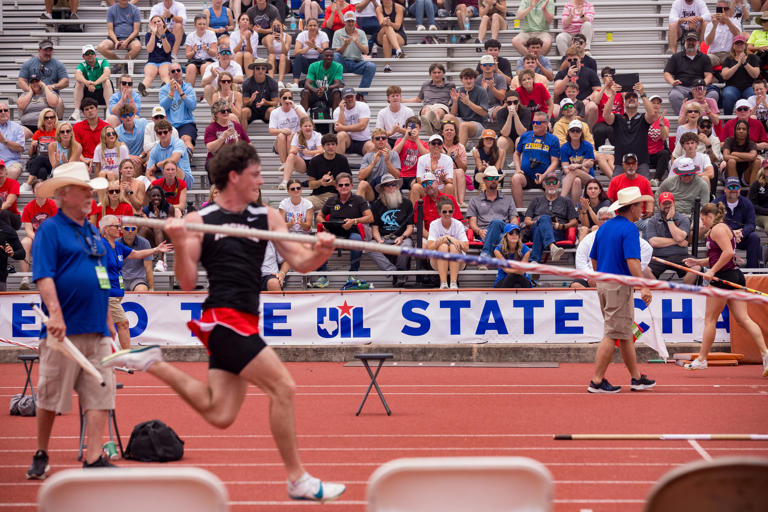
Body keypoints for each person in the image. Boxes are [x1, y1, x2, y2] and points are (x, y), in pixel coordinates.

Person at [103, 142, 347, 502]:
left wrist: (322, 250)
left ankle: (153, 361)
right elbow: (187, 282)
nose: (261, 180)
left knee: (220, 413)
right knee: (284, 388)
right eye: (255, 175)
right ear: (234, 178)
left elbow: (301, 262)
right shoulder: (200, 221)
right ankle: (297, 479)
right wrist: (181, 242)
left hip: (245, 318)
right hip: (222, 319)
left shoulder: (268, 218)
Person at [25, 162, 116, 479]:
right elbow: (43, 276)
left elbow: (102, 277)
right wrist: (56, 315)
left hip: (97, 328)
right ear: (65, 194)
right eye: (84, 189)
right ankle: (41, 451)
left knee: (100, 393)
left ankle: (93, 456)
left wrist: (108, 320)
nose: (90, 195)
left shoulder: (93, 231)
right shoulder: (49, 230)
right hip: (63, 332)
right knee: (50, 396)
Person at [682, 202, 768, 374]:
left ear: (708, 216)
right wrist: (698, 262)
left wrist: (712, 271)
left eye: (703, 219)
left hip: (723, 278)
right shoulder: (721, 229)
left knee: (710, 320)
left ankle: (701, 359)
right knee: (743, 319)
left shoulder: (718, 229)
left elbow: (728, 253)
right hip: (732, 275)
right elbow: (718, 256)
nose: (703, 223)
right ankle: (766, 354)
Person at [587, 186, 656, 394]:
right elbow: (633, 260)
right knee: (612, 333)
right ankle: (596, 381)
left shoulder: (605, 227)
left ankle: (635, 378)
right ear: (632, 207)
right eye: (639, 205)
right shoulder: (629, 229)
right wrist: (643, 285)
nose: (641, 210)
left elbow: (594, 258)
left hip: (605, 283)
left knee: (624, 334)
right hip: (618, 286)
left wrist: (602, 277)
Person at [99, 214, 170, 349]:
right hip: (108, 294)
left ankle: (108, 355)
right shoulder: (101, 246)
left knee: (108, 327)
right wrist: (103, 288)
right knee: (123, 323)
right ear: (106, 229)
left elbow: (136, 254)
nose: (119, 229)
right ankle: (126, 356)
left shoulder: (117, 246)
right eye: (116, 226)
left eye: (119, 226)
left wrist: (156, 249)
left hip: (116, 294)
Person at [597, 83, 659, 179]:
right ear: (624, 103)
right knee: (617, 191)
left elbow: (652, 114)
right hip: (621, 163)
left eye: (634, 97)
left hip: (641, 162)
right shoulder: (618, 117)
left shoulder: (643, 118)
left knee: (643, 192)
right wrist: (613, 94)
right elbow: (606, 116)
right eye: (628, 98)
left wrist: (642, 94)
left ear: (638, 103)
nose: (631, 98)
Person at [316, 172, 372, 275]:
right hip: (333, 230)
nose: (344, 187)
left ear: (351, 186)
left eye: (346, 184)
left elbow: (370, 217)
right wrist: (324, 224)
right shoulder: (331, 200)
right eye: (341, 185)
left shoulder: (359, 200)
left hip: (352, 230)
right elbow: (319, 216)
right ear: (336, 187)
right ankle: (322, 276)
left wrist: (354, 221)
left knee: (357, 241)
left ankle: (353, 274)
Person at [368, 174, 413, 286]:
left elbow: (410, 227)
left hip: (402, 237)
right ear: (383, 189)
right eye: (387, 186)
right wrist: (379, 242)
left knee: (406, 247)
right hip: (383, 237)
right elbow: (375, 228)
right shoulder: (376, 205)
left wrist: (402, 238)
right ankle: (393, 271)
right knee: (369, 247)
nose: (391, 188)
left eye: (393, 185)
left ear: (397, 186)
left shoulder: (407, 203)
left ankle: (401, 274)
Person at [645, 192, 698, 284]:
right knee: (643, 269)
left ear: (674, 204)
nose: (667, 206)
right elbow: (653, 242)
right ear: (659, 205)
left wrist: (670, 220)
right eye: (664, 203)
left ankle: (684, 293)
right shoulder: (653, 220)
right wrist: (677, 242)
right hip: (658, 257)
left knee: (696, 267)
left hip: (681, 256)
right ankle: (656, 294)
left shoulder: (683, 218)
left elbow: (679, 236)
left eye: (669, 203)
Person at [523, 171, 576, 263]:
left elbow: (574, 221)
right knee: (543, 218)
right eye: (548, 182)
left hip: (557, 232)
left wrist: (561, 226)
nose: (551, 185)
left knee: (541, 227)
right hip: (535, 227)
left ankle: (534, 261)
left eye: (554, 182)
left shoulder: (566, 201)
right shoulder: (536, 200)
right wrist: (537, 222)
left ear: (558, 184)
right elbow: (527, 220)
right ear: (544, 184)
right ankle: (552, 246)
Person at [511, 110, 560, 209]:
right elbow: (516, 154)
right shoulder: (525, 136)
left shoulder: (553, 139)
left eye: (538, 122)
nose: (535, 125)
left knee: (552, 180)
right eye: (533, 122)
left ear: (546, 124)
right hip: (526, 175)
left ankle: (550, 210)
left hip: (544, 176)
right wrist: (517, 168)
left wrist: (544, 175)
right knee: (515, 178)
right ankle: (520, 211)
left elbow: (555, 162)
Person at [467, 165, 517, 261]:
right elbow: (472, 222)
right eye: (490, 178)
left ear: (498, 180)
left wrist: (511, 231)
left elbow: (514, 218)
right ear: (484, 180)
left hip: (504, 229)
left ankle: (485, 254)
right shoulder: (475, 200)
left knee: (496, 222)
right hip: (484, 233)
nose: (493, 180)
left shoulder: (508, 199)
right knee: (501, 237)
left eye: (496, 178)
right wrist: (479, 231)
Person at [664, 32, 718, 115]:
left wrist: (702, 86)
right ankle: (684, 120)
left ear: (697, 43)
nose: (691, 43)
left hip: (700, 87)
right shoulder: (676, 57)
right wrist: (672, 82)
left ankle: (702, 119)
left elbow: (708, 75)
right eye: (689, 41)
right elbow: (667, 73)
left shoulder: (704, 58)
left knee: (713, 94)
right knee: (674, 95)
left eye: (693, 41)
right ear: (685, 42)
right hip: (682, 87)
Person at [18, 178, 58, 290]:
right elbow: (28, 229)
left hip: (50, 236)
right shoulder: (28, 207)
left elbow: (56, 226)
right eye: (37, 189)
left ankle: (51, 276)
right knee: (25, 242)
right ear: (33, 191)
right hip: (35, 236)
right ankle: (25, 278)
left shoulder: (53, 205)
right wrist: (38, 238)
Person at [714, 177, 762, 268]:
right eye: (730, 188)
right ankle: (721, 267)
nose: (734, 190)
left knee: (754, 237)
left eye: (736, 187)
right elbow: (713, 223)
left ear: (740, 189)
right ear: (724, 189)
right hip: (724, 237)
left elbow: (751, 224)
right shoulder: (717, 203)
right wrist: (731, 234)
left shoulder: (747, 203)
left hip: (740, 237)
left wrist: (741, 233)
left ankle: (751, 269)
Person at [18, 40, 69, 120]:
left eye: (50, 50)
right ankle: (22, 122)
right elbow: (21, 80)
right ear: (39, 50)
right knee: (21, 101)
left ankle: (58, 123)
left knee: (59, 102)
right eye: (45, 50)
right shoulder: (28, 64)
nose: (48, 53)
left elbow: (65, 81)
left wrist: (53, 86)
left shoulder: (58, 64)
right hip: (32, 92)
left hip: (50, 92)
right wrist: (30, 91)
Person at [427, 196, 469, 289]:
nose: (447, 214)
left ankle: (453, 283)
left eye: (450, 211)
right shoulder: (434, 224)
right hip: (437, 261)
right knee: (443, 247)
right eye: (444, 212)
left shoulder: (458, 224)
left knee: (453, 247)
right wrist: (443, 239)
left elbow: (466, 247)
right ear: (439, 212)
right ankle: (444, 283)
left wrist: (451, 239)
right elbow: (429, 247)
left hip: (459, 262)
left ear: (453, 211)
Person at [159, 62, 198, 158]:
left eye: (178, 70)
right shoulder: (164, 90)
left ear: (181, 72)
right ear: (169, 74)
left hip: (186, 123)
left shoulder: (188, 88)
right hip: (169, 124)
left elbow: (192, 106)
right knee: (171, 146)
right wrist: (171, 93)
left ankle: (187, 158)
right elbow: (163, 108)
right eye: (173, 71)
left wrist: (181, 92)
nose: (176, 72)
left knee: (186, 139)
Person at [606, 153, 654, 230]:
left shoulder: (644, 181)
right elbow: (609, 200)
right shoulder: (615, 181)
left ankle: (646, 242)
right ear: (623, 165)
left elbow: (649, 199)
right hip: (620, 217)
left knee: (649, 224)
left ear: (637, 164)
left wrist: (649, 211)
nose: (631, 165)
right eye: (628, 163)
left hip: (639, 217)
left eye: (633, 163)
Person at [333, 11, 376, 95]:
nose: (351, 23)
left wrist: (356, 42)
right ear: (344, 22)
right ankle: (340, 83)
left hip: (357, 62)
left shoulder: (361, 33)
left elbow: (366, 51)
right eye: (348, 21)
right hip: (343, 63)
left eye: (352, 21)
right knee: (335, 56)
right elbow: (337, 51)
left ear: (355, 21)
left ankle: (361, 94)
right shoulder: (338, 33)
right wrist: (345, 45)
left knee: (371, 66)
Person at [405, 63, 455, 136]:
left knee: (436, 112)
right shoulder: (425, 85)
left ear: (443, 73)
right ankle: (433, 126)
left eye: (439, 72)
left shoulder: (450, 85)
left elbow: (454, 98)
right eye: (434, 73)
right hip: (427, 105)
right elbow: (418, 99)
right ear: (430, 74)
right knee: (427, 110)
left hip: (441, 106)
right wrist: (402, 101)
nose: (437, 75)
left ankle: (434, 126)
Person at [552, 49, 600, 124]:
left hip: (583, 104)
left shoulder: (590, 72)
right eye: (569, 60)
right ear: (566, 61)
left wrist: (588, 99)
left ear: (580, 58)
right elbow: (557, 91)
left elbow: (598, 90)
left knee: (592, 106)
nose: (572, 61)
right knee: (554, 108)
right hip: (565, 105)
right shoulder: (561, 73)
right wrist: (568, 76)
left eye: (575, 59)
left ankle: (589, 133)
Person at [205, 99, 250, 174]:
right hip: (217, 159)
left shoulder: (237, 126)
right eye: (223, 111)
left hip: (234, 158)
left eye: (228, 110)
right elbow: (210, 148)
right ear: (216, 114)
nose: (226, 113)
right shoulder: (211, 128)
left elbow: (248, 144)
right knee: (213, 165)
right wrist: (223, 137)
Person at [307, 133, 351, 209]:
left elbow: (349, 182)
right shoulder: (315, 161)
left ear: (336, 145)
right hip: (318, 197)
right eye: (328, 144)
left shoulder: (342, 160)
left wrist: (334, 183)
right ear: (323, 146)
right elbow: (311, 184)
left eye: (333, 144)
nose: (331, 147)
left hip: (338, 196)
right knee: (305, 204)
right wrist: (321, 182)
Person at [74, 45, 114, 127]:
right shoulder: (82, 65)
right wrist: (87, 83)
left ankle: (108, 111)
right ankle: (76, 111)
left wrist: (95, 83)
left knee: (106, 81)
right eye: (87, 53)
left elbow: (107, 73)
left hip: (101, 93)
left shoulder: (102, 62)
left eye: (91, 52)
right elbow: (77, 75)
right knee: (78, 82)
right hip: (88, 94)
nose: (90, 55)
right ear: (83, 56)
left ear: (95, 54)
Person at [356, 128, 401, 201]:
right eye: (377, 138)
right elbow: (360, 177)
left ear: (387, 140)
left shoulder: (393, 154)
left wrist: (387, 161)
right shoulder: (368, 156)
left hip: (389, 187)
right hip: (372, 190)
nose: (381, 140)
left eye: (383, 138)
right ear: (372, 141)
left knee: (386, 182)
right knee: (362, 184)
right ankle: (358, 211)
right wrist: (373, 163)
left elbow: (397, 175)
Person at [146, 120, 193, 188]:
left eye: (165, 132)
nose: (163, 135)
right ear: (156, 134)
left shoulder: (178, 143)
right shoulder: (154, 150)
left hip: (185, 178)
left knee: (171, 168)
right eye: (160, 133)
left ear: (170, 132)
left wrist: (156, 165)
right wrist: (155, 183)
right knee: (148, 185)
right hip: (167, 178)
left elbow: (173, 160)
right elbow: (148, 172)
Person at [98, 0, 142, 72]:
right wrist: (116, 41)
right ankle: (120, 63)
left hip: (130, 38)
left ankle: (121, 65)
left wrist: (126, 41)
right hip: (115, 38)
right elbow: (110, 30)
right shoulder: (111, 10)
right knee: (101, 47)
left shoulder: (135, 9)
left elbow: (136, 31)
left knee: (137, 47)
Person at [448, 68, 489, 146]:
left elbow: (484, 113)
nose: (469, 81)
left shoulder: (482, 91)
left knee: (464, 125)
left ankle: (458, 154)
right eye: (466, 78)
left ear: (475, 79)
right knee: (448, 117)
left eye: (471, 78)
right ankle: (447, 149)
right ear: (461, 80)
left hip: (478, 124)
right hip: (462, 121)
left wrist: (469, 103)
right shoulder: (457, 91)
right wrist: (455, 102)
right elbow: (453, 114)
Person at [280, 117, 323, 189]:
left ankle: (316, 180)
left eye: (310, 126)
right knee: (291, 156)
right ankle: (285, 182)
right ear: (301, 127)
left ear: (313, 126)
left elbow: (321, 150)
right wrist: (297, 149)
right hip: (302, 163)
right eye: (305, 126)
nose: (308, 128)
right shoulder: (297, 135)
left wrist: (309, 152)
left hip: (314, 162)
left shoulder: (317, 135)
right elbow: (291, 150)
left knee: (318, 155)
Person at [560, 120, 596, 205]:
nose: (575, 133)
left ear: (581, 133)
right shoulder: (564, 148)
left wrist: (577, 166)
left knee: (574, 172)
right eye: (573, 130)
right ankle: (574, 209)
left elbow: (586, 170)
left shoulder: (587, 146)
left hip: (589, 178)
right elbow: (565, 169)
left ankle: (561, 200)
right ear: (568, 132)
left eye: (578, 130)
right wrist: (580, 167)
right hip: (570, 177)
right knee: (577, 180)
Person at [412, 134, 454, 204]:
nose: (436, 145)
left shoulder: (448, 159)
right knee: (416, 187)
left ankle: (447, 211)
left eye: (439, 143)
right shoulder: (422, 159)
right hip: (427, 188)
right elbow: (419, 180)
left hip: (441, 189)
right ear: (429, 145)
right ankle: (415, 214)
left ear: (442, 146)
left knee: (449, 186)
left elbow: (450, 180)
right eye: (433, 143)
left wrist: (443, 180)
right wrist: (432, 171)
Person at [393, 116, 429, 196]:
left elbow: (427, 157)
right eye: (410, 127)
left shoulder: (424, 144)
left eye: (415, 127)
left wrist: (416, 140)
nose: (412, 130)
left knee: (416, 187)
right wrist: (405, 137)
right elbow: (393, 155)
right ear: (406, 128)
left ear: (419, 128)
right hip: (400, 175)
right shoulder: (400, 141)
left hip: (414, 176)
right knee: (393, 188)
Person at [139, 16, 175, 97]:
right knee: (149, 76)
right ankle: (143, 87)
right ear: (151, 25)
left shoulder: (170, 35)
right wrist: (153, 34)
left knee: (165, 75)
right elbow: (149, 50)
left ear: (163, 23)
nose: (157, 23)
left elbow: (167, 50)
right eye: (154, 22)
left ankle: (165, 87)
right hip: (152, 61)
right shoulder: (148, 35)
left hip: (165, 61)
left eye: (158, 21)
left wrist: (163, 35)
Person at [300, 47, 344, 113]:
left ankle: (336, 120)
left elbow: (337, 84)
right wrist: (315, 90)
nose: (329, 57)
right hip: (315, 92)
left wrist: (325, 88)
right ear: (322, 56)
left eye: (331, 56)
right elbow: (307, 83)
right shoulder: (313, 66)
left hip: (329, 94)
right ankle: (302, 119)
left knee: (336, 92)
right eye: (327, 55)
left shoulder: (338, 66)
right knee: (306, 92)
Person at [139, 185, 181, 251]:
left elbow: (169, 227)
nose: (156, 198)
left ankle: (160, 259)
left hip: (168, 239)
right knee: (144, 228)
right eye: (154, 196)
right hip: (153, 239)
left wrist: (158, 217)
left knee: (157, 227)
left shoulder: (169, 208)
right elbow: (146, 225)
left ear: (162, 197)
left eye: (158, 195)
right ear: (150, 198)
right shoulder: (146, 210)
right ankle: (134, 252)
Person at [333, 88, 373, 155]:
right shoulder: (338, 110)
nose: (350, 99)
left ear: (355, 96)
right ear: (343, 99)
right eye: (347, 97)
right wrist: (342, 111)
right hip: (348, 141)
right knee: (340, 135)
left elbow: (362, 126)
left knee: (372, 147)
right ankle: (338, 164)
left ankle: (368, 165)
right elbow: (339, 130)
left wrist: (343, 128)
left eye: (351, 96)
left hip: (363, 141)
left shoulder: (363, 106)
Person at [17, 74, 60, 139]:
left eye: (36, 81)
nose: (35, 84)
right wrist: (30, 92)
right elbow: (20, 106)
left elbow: (53, 103)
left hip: (46, 126)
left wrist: (45, 87)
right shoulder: (25, 94)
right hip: (28, 126)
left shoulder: (48, 92)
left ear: (41, 82)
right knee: (18, 135)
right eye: (32, 82)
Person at [24, 109, 58, 189]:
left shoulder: (58, 132)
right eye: (46, 118)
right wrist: (32, 146)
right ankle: (43, 190)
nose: (49, 120)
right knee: (42, 171)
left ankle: (28, 183)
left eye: (51, 117)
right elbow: (30, 154)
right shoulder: (38, 133)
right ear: (42, 119)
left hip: (52, 161)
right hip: (38, 161)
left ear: (55, 119)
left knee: (41, 158)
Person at [240, 58, 278, 127]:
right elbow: (245, 103)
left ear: (266, 70)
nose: (260, 71)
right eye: (258, 68)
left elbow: (275, 103)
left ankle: (278, 136)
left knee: (273, 111)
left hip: (266, 109)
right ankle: (243, 137)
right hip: (251, 109)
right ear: (254, 70)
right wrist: (251, 100)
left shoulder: (273, 83)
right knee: (243, 112)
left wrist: (266, 102)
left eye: (263, 68)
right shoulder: (246, 83)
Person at [722, 119, 761, 185]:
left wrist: (735, 153)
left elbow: (753, 156)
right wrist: (746, 158)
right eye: (738, 129)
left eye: (744, 129)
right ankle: (734, 191)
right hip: (729, 174)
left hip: (746, 175)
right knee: (731, 161)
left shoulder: (751, 143)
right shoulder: (729, 140)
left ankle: (752, 193)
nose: (741, 131)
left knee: (757, 161)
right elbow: (725, 156)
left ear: (748, 131)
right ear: (735, 131)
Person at [292, 18, 329, 87]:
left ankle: (320, 82)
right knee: (298, 57)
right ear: (306, 26)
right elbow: (296, 52)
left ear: (318, 26)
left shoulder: (323, 35)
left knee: (323, 56)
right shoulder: (302, 35)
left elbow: (326, 52)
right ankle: (295, 83)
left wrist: (315, 47)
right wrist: (308, 47)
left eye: (315, 25)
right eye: (310, 25)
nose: (313, 28)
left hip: (318, 63)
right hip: (306, 63)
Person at [119, 222, 155, 292]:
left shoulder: (144, 243)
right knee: (114, 290)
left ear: (137, 230)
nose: (130, 231)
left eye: (133, 228)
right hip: (120, 279)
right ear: (121, 230)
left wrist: (151, 289)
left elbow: (148, 269)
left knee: (142, 290)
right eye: (126, 228)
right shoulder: (115, 243)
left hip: (138, 279)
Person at [493, 223, 532, 288]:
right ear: (506, 235)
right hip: (503, 279)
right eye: (511, 233)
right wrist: (517, 271)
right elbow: (506, 270)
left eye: (517, 233)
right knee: (513, 279)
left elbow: (522, 272)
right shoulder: (498, 250)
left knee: (517, 284)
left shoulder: (526, 249)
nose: (514, 235)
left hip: (521, 279)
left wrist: (518, 271)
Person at [705, 1, 742, 67]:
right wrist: (714, 26)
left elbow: (738, 35)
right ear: (716, 10)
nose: (723, 11)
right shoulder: (711, 24)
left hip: (730, 54)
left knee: (736, 61)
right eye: (720, 9)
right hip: (714, 55)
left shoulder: (735, 21)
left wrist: (727, 21)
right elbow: (707, 42)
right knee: (704, 60)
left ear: (729, 10)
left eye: (725, 9)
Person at [185, 15, 218, 87]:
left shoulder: (211, 34)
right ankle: (188, 95)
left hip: (208, 60)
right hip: (195, 60)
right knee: (190, 67)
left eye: (204, 24)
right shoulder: (190, 36)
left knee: (204, 67)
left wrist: (207, 49)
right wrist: (194, 52)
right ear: (195, 25)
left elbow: (215, 53)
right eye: (199, 24)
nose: (202, 26)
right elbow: (187, 55)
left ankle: (207, 94)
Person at [375, 0, 406, 73]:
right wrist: (385, 22)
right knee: (386, 27)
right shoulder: (379, 8)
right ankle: (398, 50)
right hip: (382, 33)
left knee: (386, 37)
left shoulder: (398, 7)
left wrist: (390, 23)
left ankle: (387, 66)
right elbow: (381, 24)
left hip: (398, 34)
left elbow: (398, 26)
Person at [115, 103, 148, 170]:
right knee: (133, 164)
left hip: (142, 157)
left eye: (130, 114)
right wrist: (128, 156)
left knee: (137, 163)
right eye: (124, 115)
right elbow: (115, 150)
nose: (128, 117)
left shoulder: (143, 123)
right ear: (120, 117)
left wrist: (140, 156)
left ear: (134, 115)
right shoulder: (116, 132)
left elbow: (150, 142)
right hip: (125, 159)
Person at [262, 18, 293, 88]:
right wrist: (271, 40)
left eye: (278, 25)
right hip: (274, 63)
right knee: (271, 55)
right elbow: (271, 51)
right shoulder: (268, 37)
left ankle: (280, 81)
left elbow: (285, 52)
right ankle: (270, 80)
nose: (276, 27)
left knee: (282, 55)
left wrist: (282, 40)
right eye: (274, 26)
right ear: (271, 28)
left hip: (285, 62)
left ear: (282, 26)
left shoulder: (288, 37)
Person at [648, 96, 671, 184]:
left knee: (664, 153)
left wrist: (661, 124)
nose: (656, 105)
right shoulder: (644, 119)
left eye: (658, 103)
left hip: (657, 154)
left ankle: (656, 180)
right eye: (653, 103)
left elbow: (664, 137)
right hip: (645, 154)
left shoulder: (664, 121)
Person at [0, 103, 25, 182]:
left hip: (11, 162)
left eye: (5, 110)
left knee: (14, 171)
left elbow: (20, 148)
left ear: (9, 112)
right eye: (0, 111)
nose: (3, 112)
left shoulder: (17, 127)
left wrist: (4, 141)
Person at [231, 13, 258, 79]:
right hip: (237, 59)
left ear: (249, 23)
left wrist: (248, 39)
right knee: (238, 54)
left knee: (247, 55)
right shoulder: (233, 34)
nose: (245, 21)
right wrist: (241, 40)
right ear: (238, 22)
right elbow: (233, 52)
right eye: (243, 19)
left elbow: (251, 52)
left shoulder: (254, 34)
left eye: (247, 20)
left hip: (250, 60)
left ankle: (250, 81)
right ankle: (237, 81)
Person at [750, 164, 768, 233]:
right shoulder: (756, 185)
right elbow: (752, 204)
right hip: (760, 215)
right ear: (763, 170)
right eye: (766, 168)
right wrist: (766, 211)